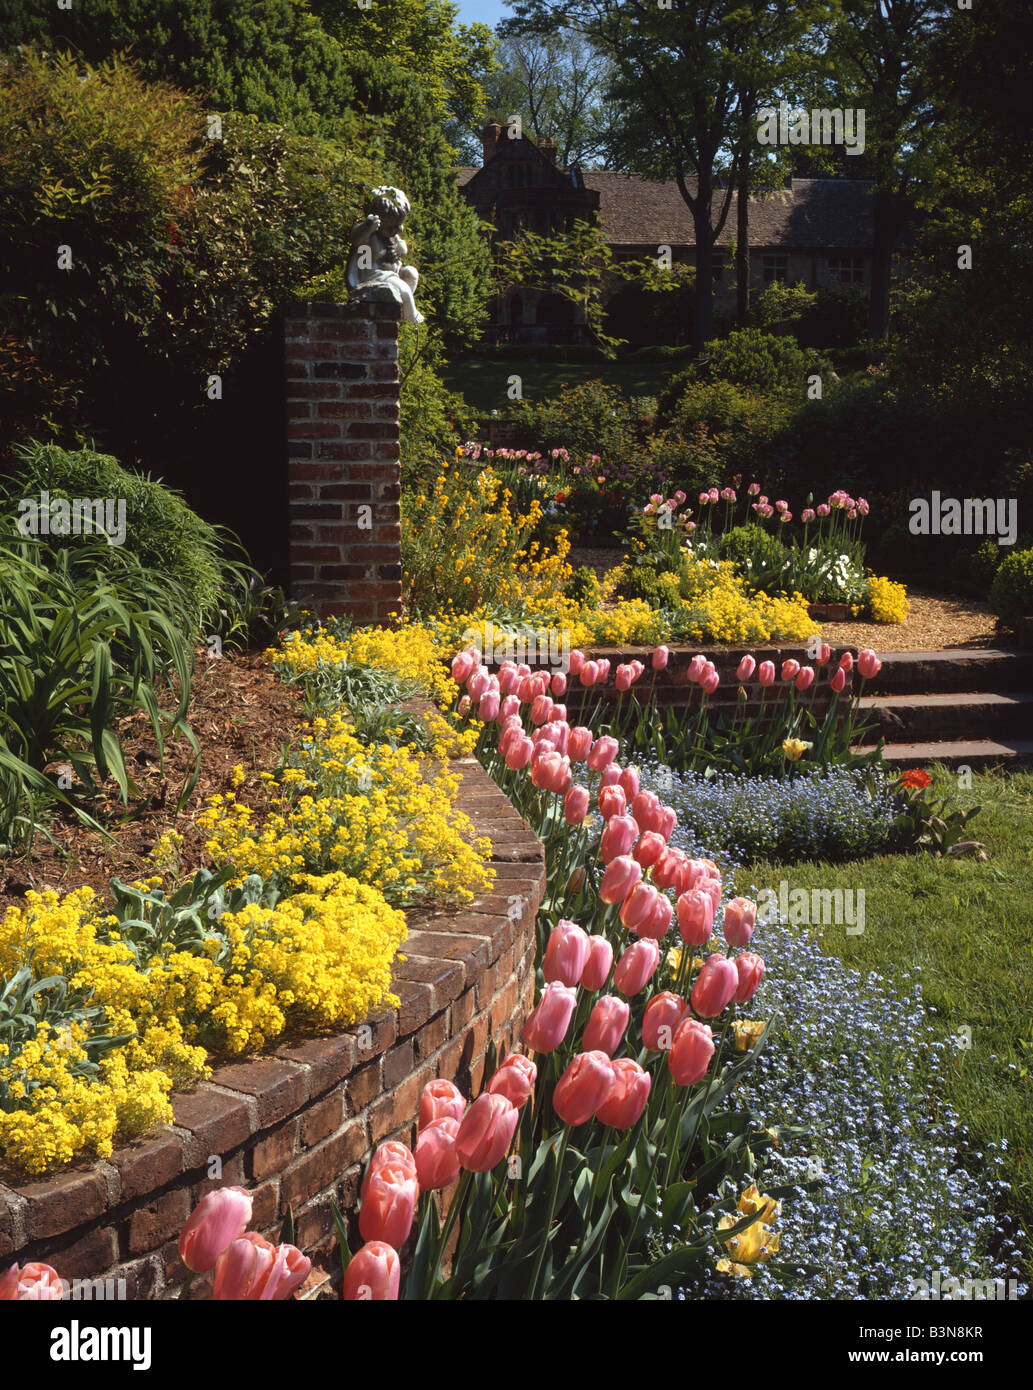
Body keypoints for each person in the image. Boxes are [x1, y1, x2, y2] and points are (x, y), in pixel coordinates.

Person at [346, 186, 424, 324]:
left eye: (399, 225)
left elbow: (403, 249)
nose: (395, 230)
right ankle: (412, 317)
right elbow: (357, 243)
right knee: (405, 291)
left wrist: (400, 248)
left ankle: (399, 309)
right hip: (375, 276)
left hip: (394, 274)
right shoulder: (369, 236)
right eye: (390, 226)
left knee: (411, 273)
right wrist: (367, 227)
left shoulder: (392, 236)